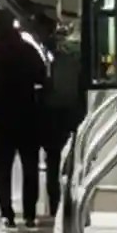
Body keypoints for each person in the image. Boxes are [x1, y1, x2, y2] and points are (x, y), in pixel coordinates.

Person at [0, 9, 46, 230]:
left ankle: (7, 214)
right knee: (30, 166)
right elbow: (42, 75)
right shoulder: (25, 49)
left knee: (1, 167)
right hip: (26, 115)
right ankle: (31, 215)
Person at [38, 21, 84, 218]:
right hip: (73, 117)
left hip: (53, 120)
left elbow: (47, 91)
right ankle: (69, 206)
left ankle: (56, 206)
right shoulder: (78, 61)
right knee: (71, 163)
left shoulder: (54, 63)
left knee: (53, 164)